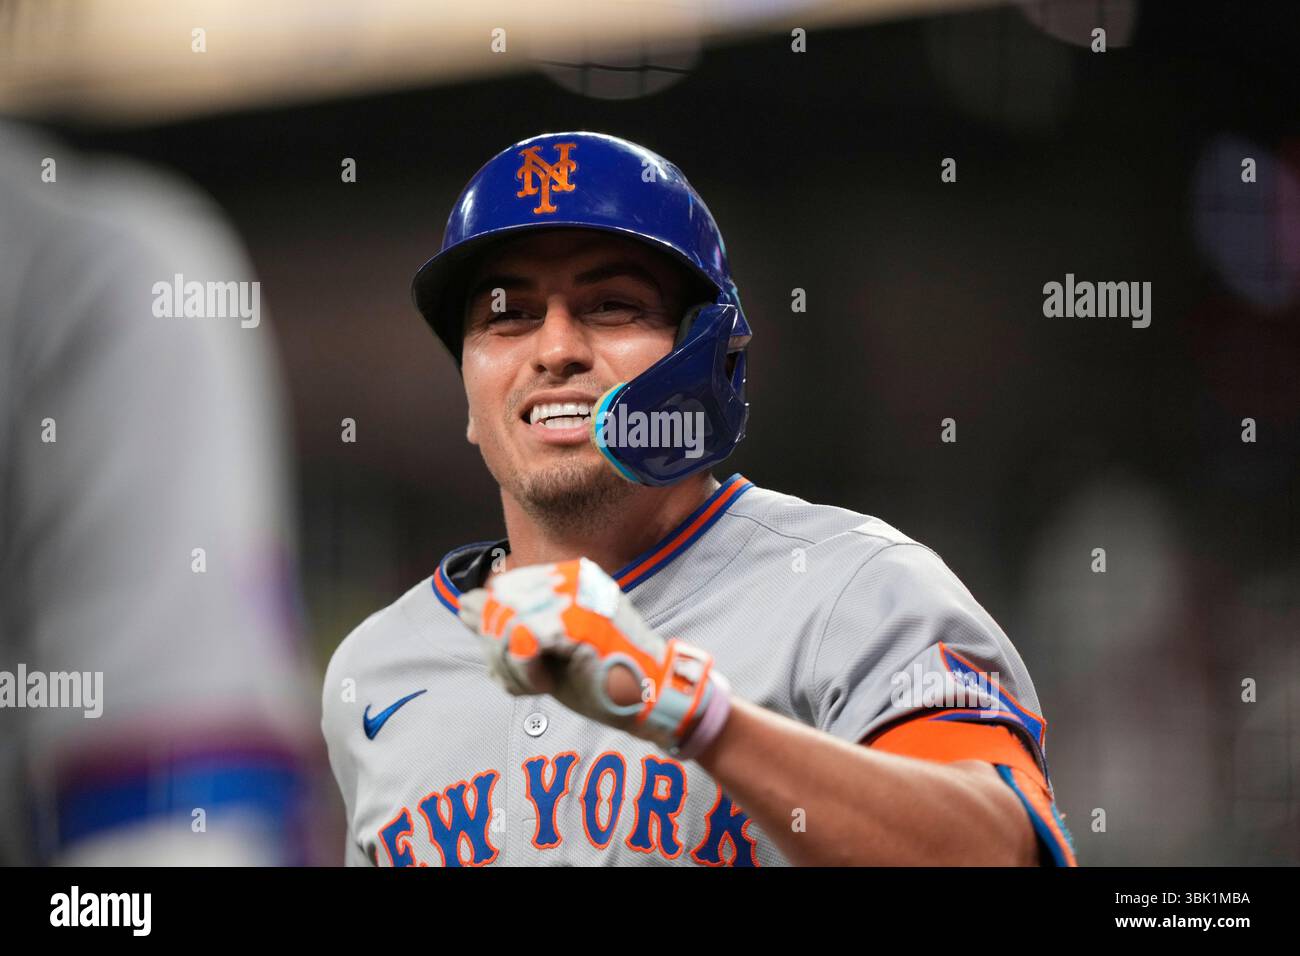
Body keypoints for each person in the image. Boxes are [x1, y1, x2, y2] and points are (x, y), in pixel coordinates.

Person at [321, 131, 1076, 866]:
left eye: (611, 305)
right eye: (507, 314)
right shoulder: (380, 667)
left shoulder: (856, 591)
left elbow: (1001, 851)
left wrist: (693, 712)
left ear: (702, 359)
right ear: (468, 390)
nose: (554, 350)